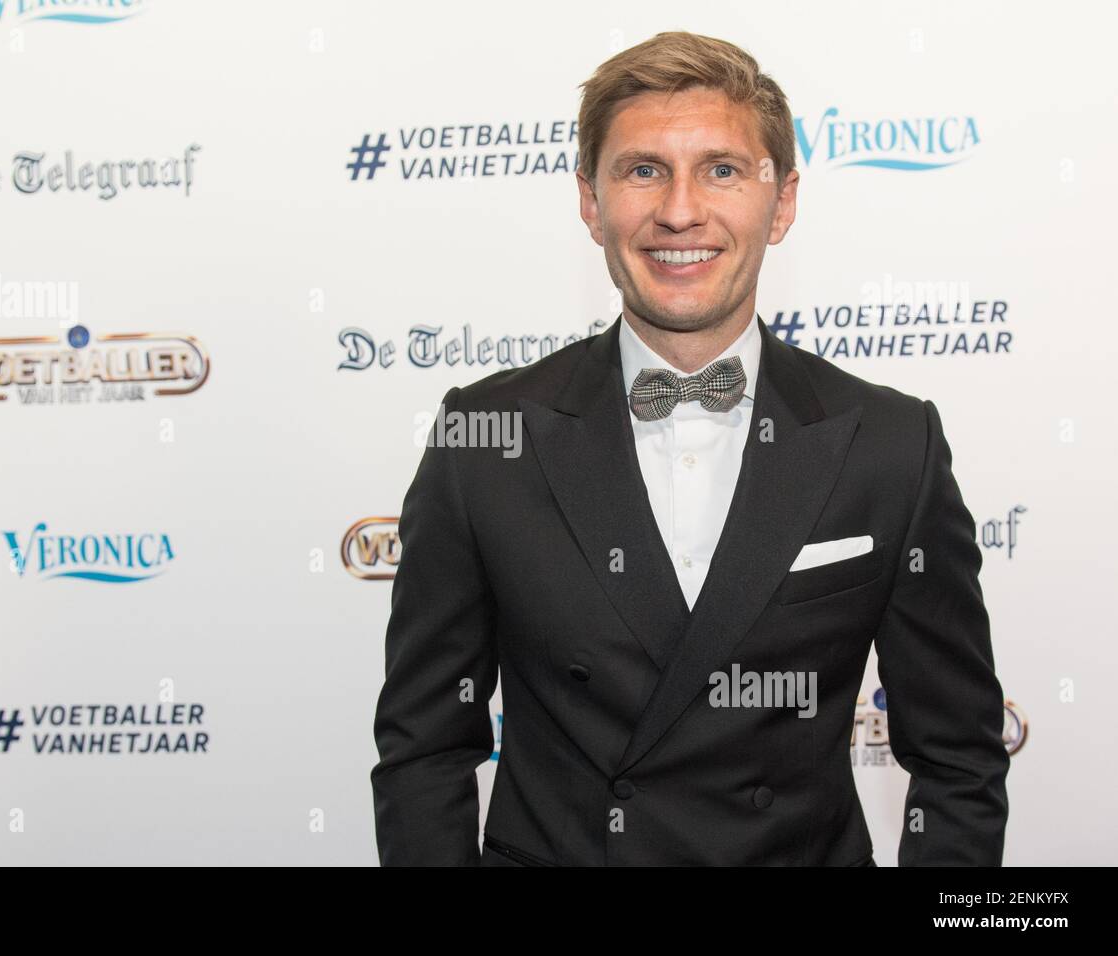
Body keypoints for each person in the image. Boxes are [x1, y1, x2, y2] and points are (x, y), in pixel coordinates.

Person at [370, 30, 1009, 866]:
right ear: (591, 203)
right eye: (642, 170)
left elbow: (958, 754)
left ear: (780, 204)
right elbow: (426, 748)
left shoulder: (891, 443)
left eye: (722, 169)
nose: (680, 210)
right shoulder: (484, 439)